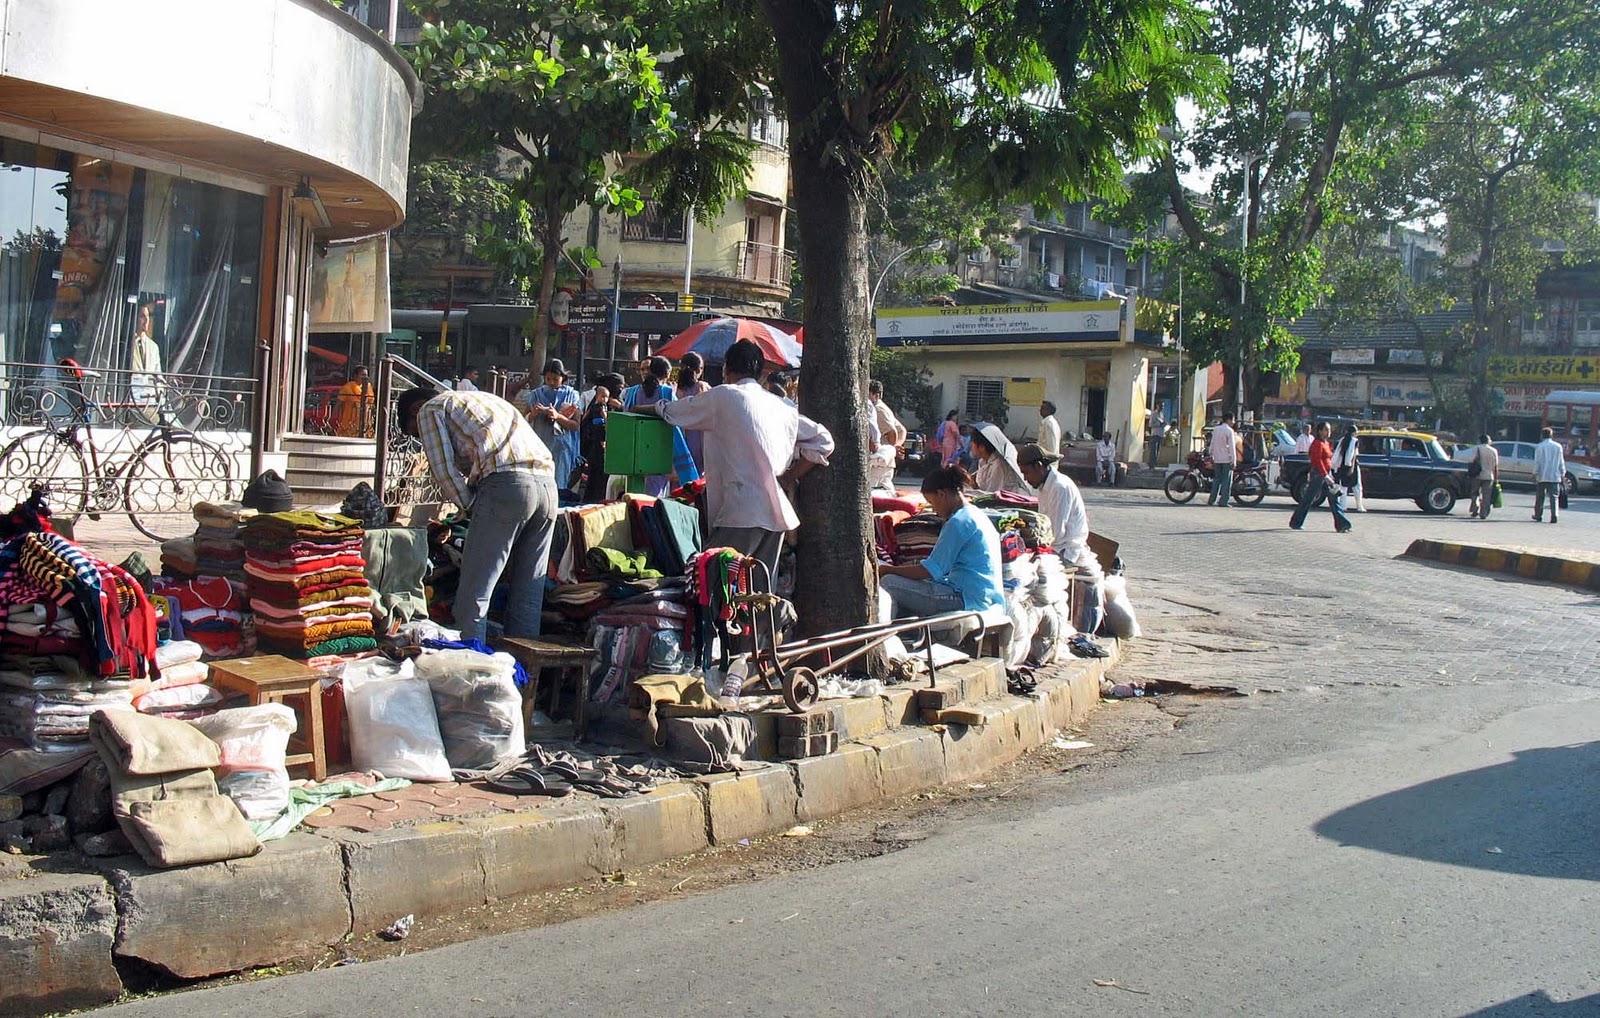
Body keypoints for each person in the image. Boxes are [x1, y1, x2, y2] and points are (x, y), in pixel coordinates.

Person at [654, 338, 833, 576]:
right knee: (758, 594)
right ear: (761, 373)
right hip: (775, 513)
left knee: (711, 583)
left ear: (727, 368)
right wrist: (788, 477)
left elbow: (672, 411)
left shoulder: (724, 396)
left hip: (741, 511)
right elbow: (824, 440)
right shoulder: (781, 406)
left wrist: (648, 406)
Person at [398, 386, 556, 640]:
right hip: (548, 487)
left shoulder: (429, 410)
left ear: (415, 411)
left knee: (474, 595)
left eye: (417, 435)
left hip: (506, 486)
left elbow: (444, 471)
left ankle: (473, 672)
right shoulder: (482, 400)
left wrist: (470, 506)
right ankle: (524, 675)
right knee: (528, 595)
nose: (422, 441)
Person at [876, 466, 1004, 619]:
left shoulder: (958, 522)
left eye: (932, 502)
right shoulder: (975, 514)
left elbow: (929, 570)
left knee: (889, 583)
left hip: (966, 598)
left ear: (941, 495)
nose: (935, 510)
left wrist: (888, 570)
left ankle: (893, 635)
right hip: (982, 595)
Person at [1016, 443, 1093, 570]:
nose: (1025, 478)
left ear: (1038, 466)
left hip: (1066, 551)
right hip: (1054, 546)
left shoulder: (1059, 487)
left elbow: (1054, 534)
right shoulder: (1044, 486)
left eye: (1026, 473)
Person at [516, 359, 582, 490]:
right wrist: (533, 414)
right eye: (548, 379)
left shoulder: (572, 395)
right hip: (540, 445)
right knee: (539, 483)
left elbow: (575, 425)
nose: (551, 382)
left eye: (555, 379)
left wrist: (557, 416)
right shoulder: (535, 395)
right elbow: (523, 420)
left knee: (559, 485)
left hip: (562, 448)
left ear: (563, 378)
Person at [1288, 421, 1352, 532]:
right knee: (1308, 499)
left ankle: (1342, 524)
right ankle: (1296, 522)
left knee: (1333, 498)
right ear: (1320, 431)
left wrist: (1329, 474)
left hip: (1326, 474)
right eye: (1326, 430)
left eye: (1329, 430)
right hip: (1318, 474)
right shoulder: (1317, 443)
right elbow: (1317, 461)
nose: (1328, 432)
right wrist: (1325, 475)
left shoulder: (1325, 443)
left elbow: (1328, 459)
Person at [577, 373, 625, 503]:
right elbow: (585, 424)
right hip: (596, 451)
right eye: (618, 387)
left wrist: (620, 407)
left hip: (614, 452)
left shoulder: (620, 404)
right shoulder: (596, 406)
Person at [675, 353, 712, 472]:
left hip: (679, 442)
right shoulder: (703, 387)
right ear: (700, 369)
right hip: (700, 442)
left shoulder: (675, 389)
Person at [868, 380, 907, 492]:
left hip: (879, 461)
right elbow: (902, 430)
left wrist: (891, 450)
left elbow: (892, 432)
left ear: (876, 395)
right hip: (883, 461)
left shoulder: (877, 409)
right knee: (886, 490)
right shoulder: (882, 408)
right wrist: (894, 448)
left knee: (874, 492)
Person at [971, 424, 1031, 494]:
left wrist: (974, 486)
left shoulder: (998, 465)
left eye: (973, 443)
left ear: (982, 447)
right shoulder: (982, 462)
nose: (970, 446)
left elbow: (991, 494)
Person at [129, 304, 162, 410]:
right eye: (142, 316)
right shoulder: (124, 345)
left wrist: (160, 397)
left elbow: (158, 376)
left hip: (150, 404)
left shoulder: (154, 347)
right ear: (135, 318)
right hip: (129, 403)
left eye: (148, 316)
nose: (147, 320)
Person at [1533, 426, 1565, 523]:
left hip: (1542, 475)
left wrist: (1534, 473)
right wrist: (1563, 472)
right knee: (1554, 497)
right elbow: (1561, 461)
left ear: (1542, 435)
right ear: (1551, 435)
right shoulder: (1558, 446)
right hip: (1555, 475)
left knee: (1540, 497)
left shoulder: (1540, 446)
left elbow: (1537, 462)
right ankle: (1554, 515)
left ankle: (1538, 515)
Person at [333, 364, 374, 437]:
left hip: (365, 423)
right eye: (363, 375)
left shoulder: (368, 387)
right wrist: (332, 421)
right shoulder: (347, 388)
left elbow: (370, 402)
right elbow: (338, 404)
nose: (365, 378)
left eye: (366, 375)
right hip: (349, 424)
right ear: (355, 376)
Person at [1207, 412, 1238, 507]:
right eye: (1233, 420)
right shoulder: (1229, 431)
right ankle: (1223, 501)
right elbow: (1232, 447)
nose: (1233, 422)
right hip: (1226, 459)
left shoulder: (1216, 429)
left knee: (1216, 479)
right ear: (1228, 420)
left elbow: (1212, 443)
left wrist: (1211, 454)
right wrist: (1234, 460)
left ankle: (1212, 500)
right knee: (1226, 481)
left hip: (1216, 458)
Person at [1466, 433, 1499, 520]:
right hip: (1489, 476)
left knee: (1474, 493)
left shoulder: (1476, 449)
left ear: (1480, 441)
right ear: (1488, 441)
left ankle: (1475, 508)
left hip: (1477, 475)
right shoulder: (1494, 451)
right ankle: (1483, 513)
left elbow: (1471, 461)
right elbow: (1495, 466)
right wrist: (1496, 479)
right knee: (1486, 496)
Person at [1331, 424, 1360, 514]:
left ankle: (1343, 506)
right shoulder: (1354, 441)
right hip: (1351, 466)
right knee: (1357, 487)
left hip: (1342, 466)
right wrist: (1351, 468)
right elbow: (1353, 456)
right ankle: (1359, 506)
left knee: (1343, 487)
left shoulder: (1342, 440)